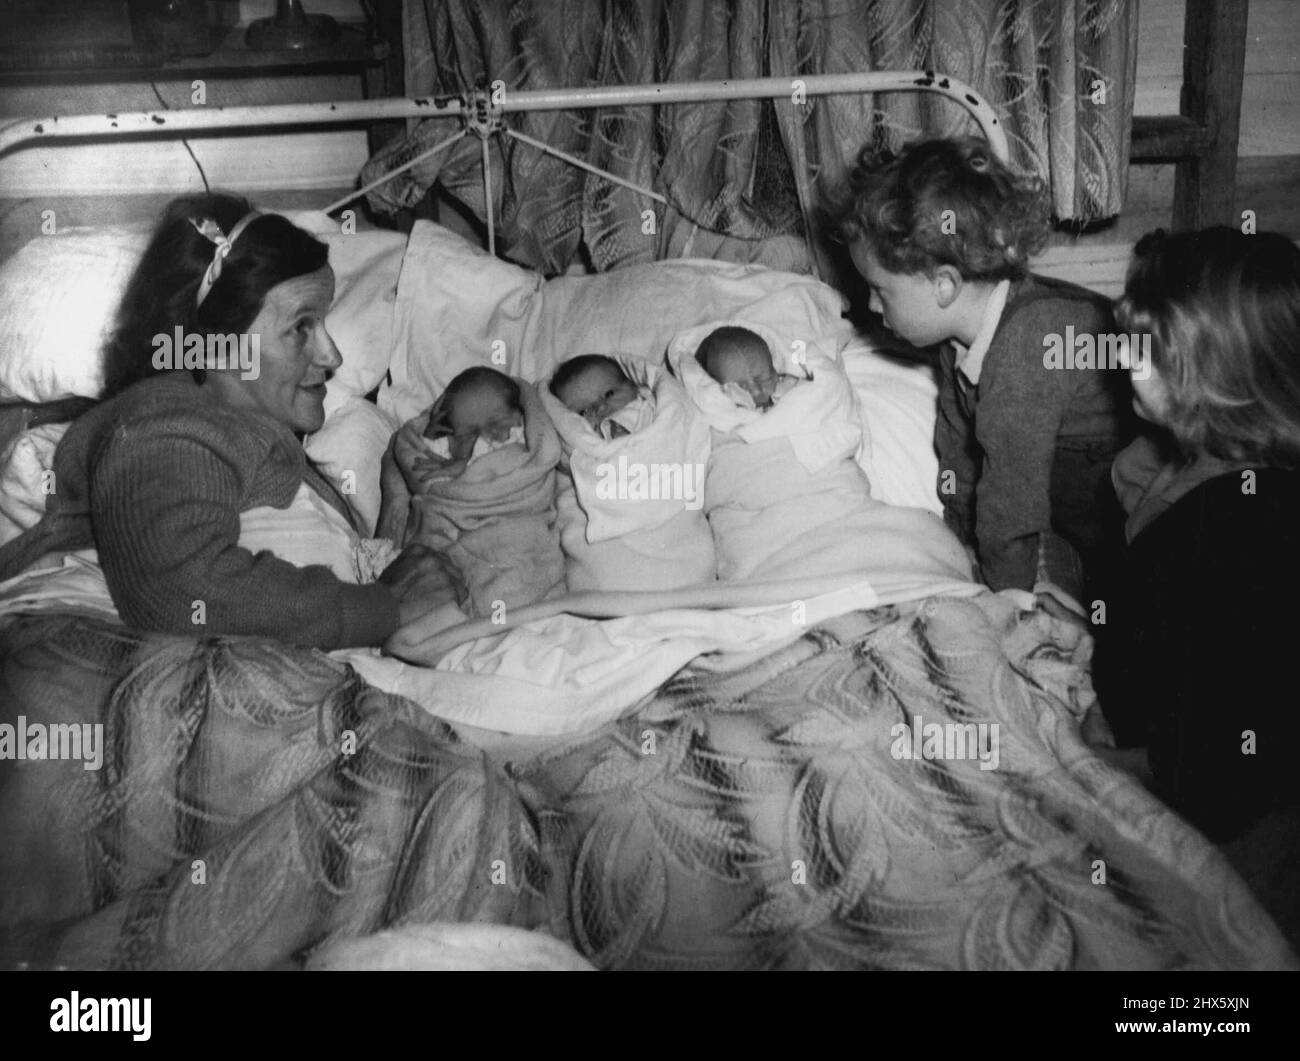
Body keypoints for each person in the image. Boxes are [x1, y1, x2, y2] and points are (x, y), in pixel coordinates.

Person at [0, 192, 458, 650]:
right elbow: (179, 590)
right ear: (216, 343)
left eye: (323, 322)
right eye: (301, 326)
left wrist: (396, 509)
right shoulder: (164, 424)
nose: (332, 355)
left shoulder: (241, 434)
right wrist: (385, 610)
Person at [1090, 227, 1300, 946]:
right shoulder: (1196, 477)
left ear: (1220, 376)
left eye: (1142, 348)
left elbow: (1223, 769)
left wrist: (1100, 763)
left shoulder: (1231, 533)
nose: (1118, 358)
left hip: (1238, 829)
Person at [831, 137, 1134, 600]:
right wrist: (958, 537)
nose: (871, 306)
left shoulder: (1023, 349)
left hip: (1137, 499)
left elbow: (1012, 498)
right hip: (1078, 499)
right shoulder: (958, 342)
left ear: (944, 285)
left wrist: (1005, 598)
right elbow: (957, 450)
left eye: (879, 289)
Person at [420, 366, 526, 470]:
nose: (485, 437)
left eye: (495, 423)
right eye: (468, 435)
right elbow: (432, 461)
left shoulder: (525, 436)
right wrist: (431, 437)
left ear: (519, 411)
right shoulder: (457, 461)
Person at [694, 326, 799, 411]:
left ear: (776, 374)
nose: (756, 391)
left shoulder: (792, 391)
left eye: (764, 380)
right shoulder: (725, 418)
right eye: (741, 388)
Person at [549, 354, 650, 438]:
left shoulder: (650, 407)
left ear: (634, 387)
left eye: (609, 394)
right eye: (584, 411)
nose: (601, 408)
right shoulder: (590, 445)